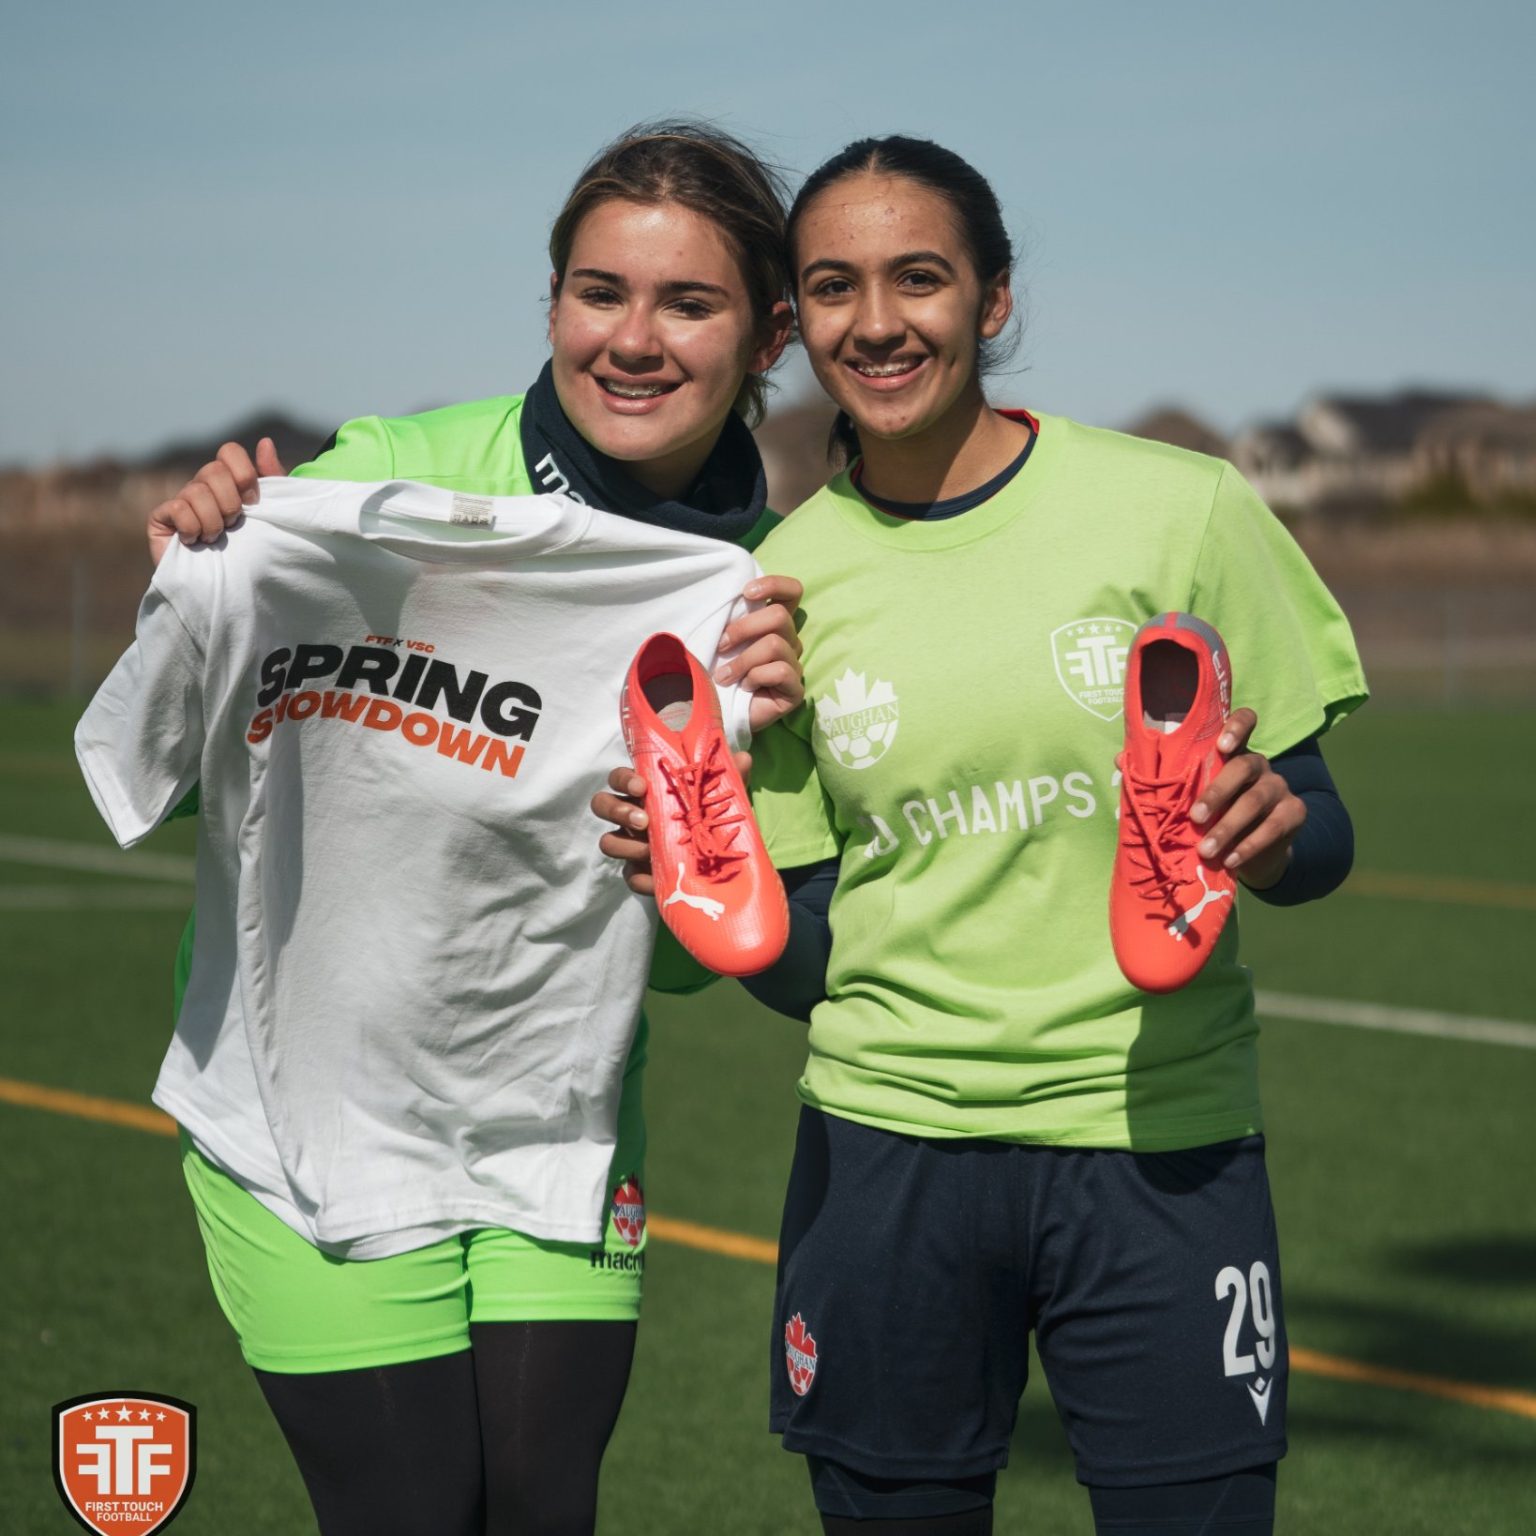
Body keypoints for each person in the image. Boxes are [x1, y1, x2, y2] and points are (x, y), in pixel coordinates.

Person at [596, 136, 1366, 1536]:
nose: (877, 322)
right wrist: (701, 889)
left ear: (993, 300)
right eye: (833, 287)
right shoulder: (774, 590)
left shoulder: (1181, 510)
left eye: (920, 279)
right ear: (794, 321)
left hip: (1159, 1146)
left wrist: (1271, 830)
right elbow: (807, 962)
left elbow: (1319, 827)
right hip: (887, 1154)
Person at [135, 122, 806, 1536]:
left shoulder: (763, 595)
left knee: (541, 1512)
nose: (633, 338)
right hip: (308, 1121)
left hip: (552, 1132)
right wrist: (208, 573)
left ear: (768, 339)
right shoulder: (389, 481)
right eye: (598, 290)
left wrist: (716, 805)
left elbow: (691, 961)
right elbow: (199, 778)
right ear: (552, 301)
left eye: (689, 303)